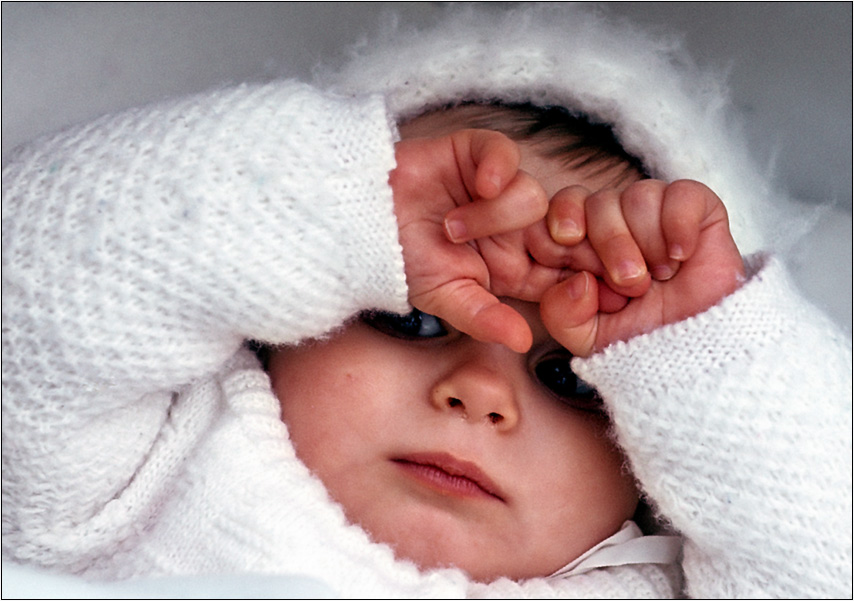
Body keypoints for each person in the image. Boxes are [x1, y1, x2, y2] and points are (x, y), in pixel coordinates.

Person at [2, 5, 850, 598]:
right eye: (411, 319)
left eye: (573, 381)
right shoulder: (154, 466)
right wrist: (329, 203)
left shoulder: (665, 580)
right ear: (282, 305)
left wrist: (711, 356)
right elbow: (29, 302)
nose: (478, 393)